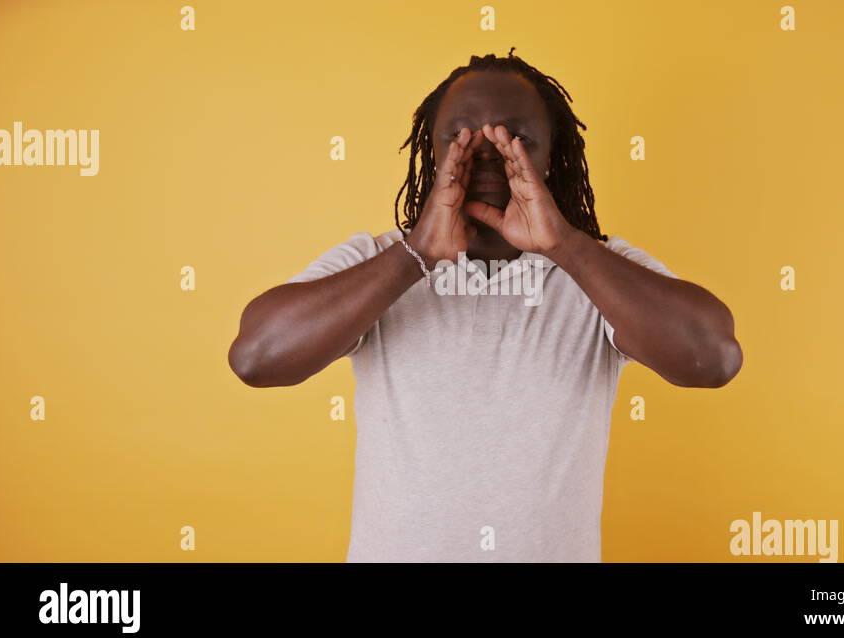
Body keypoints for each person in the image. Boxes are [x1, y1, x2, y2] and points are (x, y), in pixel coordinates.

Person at [228, 49, 743, 562]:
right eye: (461, 136)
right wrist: (418, 254)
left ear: (552, 155)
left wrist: (563, 245)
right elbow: (257, 357)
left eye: (516, 136)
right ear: (432, 150)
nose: (489, 152)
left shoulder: (597, 269)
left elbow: (712, 358)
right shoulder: (377, 261)